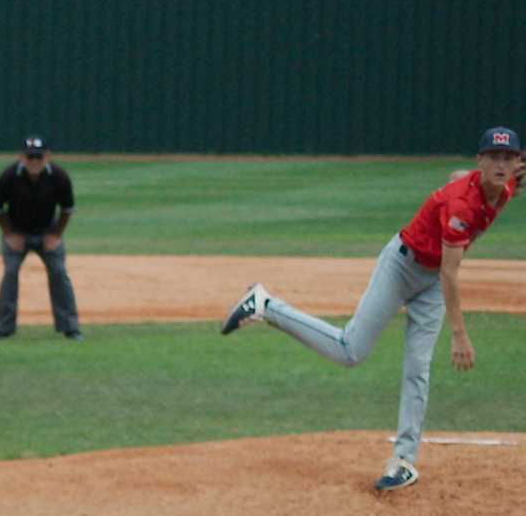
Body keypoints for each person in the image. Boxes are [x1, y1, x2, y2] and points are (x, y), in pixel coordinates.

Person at [221, 125, 523, 491]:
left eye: (508, 157)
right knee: (351, 350)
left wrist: (467, 180)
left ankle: (403, 461)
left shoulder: (505, 186)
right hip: (402, 267)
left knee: (418, 367)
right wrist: (460, 334)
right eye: (494, 156)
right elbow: (449, 271)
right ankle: (266, 305)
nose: (501, 164)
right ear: (481, 159)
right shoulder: (462, 206)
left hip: (430, 284)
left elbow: (459, 177)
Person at [0, 135, 82, 340]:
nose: (34, 161)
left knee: (59, 272)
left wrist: (56, 234)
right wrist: (9, 233)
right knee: (10, 273)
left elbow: (67, 209)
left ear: (47, 157)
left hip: (47, 231)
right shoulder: (9, 176)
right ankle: (3, 329)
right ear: (21, 157)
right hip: (17, 231)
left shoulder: (59, 176)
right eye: (30, 157)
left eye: (38, 157)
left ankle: (71, 327)